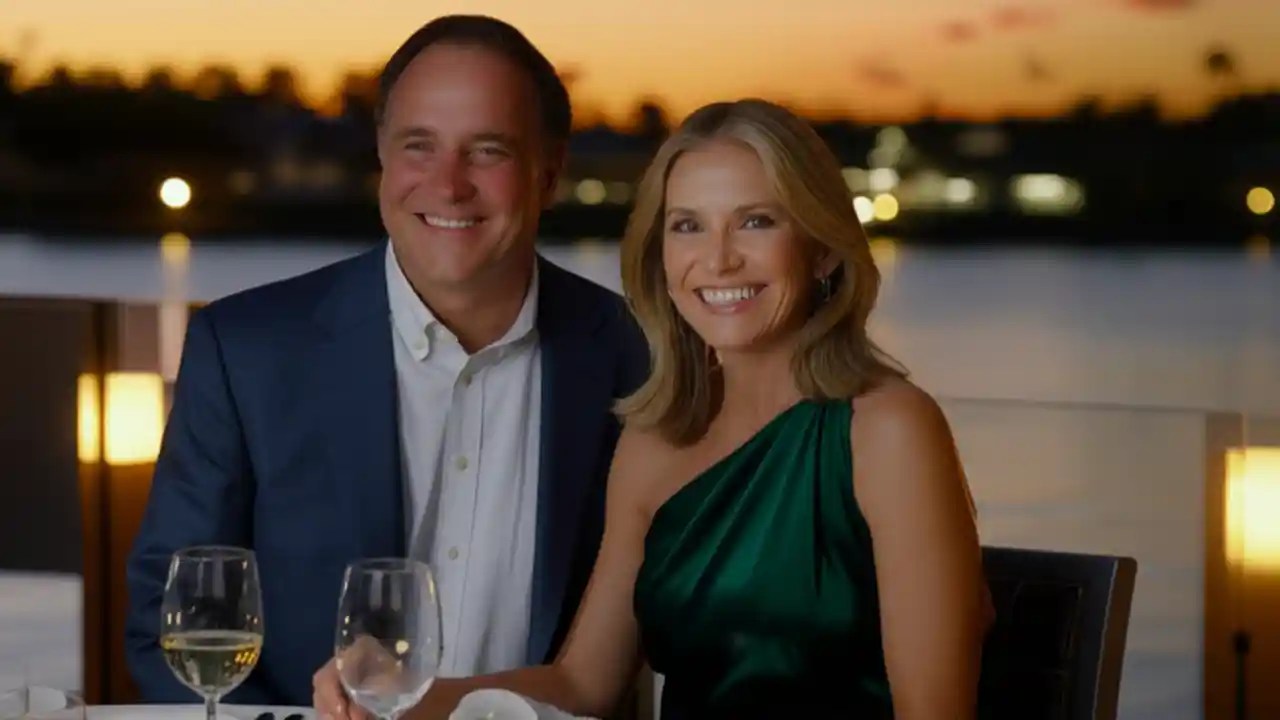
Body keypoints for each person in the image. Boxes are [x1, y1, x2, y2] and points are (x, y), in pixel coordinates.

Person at [313, 98, 992, 719]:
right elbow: (584, 684)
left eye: (756, 221)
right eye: (688, 227)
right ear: (660, 258)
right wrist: (403, 698)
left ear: (819, 250)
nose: (718, 260)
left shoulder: (887, 429)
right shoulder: (655, 443)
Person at [125, 15, 648, 707]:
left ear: (549, 172)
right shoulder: (247, 349)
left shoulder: (633, 354)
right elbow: (168, 622)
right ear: (381, 154)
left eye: (487, 151)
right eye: (418, 146)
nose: (448, 184)